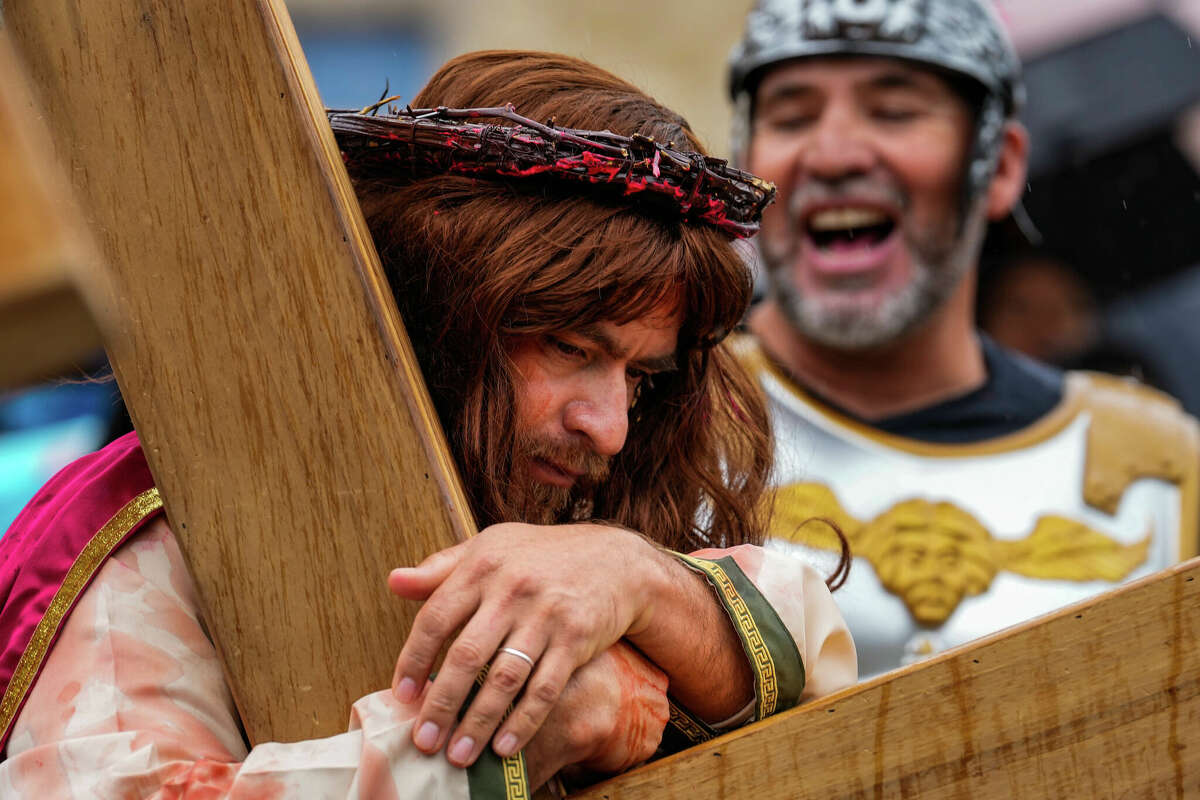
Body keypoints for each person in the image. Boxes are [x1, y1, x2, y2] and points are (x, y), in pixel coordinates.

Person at [0, 51, 856, 799]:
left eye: (639, 377)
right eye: (565, 345)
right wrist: (535, 734)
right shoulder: (162, 534)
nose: (608, 428)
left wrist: (633, 576)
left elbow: (817, 655)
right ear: (439, 307)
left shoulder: (576, 504)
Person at [727, 0, 1199, 677]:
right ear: (750, 167)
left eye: (894, 111)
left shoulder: (1160, 469)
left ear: (1001, 166)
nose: (831, 155)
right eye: (792, 116)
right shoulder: (645, 422)